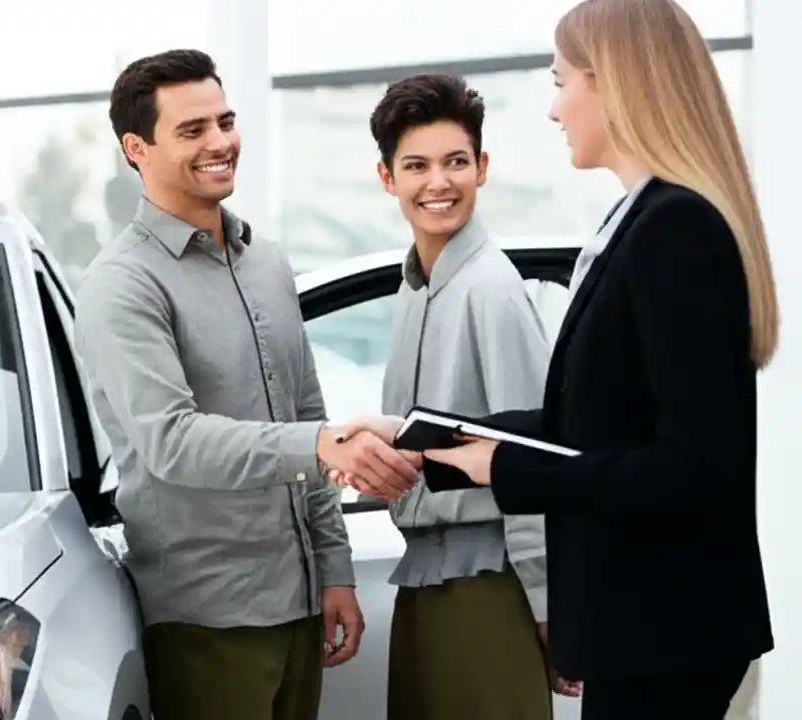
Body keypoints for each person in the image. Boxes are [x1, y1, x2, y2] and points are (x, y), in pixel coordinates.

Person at [418, 1, 777, 718]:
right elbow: (598, 422)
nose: (554, 110)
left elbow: (697, 466)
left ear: (612, 83)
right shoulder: (642, 221)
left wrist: (511, 467)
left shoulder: (674, 230)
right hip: (651, 629)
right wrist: (438, 442)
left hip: (664, 631)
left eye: (560, 82)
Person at [73, 49, 421, 720]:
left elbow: (306, 411)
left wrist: (334, 568)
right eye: (193, 129)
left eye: (225, 121)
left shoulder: (266, 262)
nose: (220, 143)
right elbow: (172, 442)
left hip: (298, 604)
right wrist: (321, 444)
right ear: (135, 148)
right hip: (208, 619)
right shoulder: (122, 284)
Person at [361, 72, 581, 719]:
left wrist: (547, 607)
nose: (439, 183)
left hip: (489, 591)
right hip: (427, 588)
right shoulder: (415, 288)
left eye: (456, 162)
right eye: (417, 165)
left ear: (482, 168)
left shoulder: (491, 289)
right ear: (387, 177)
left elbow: (537, 458)